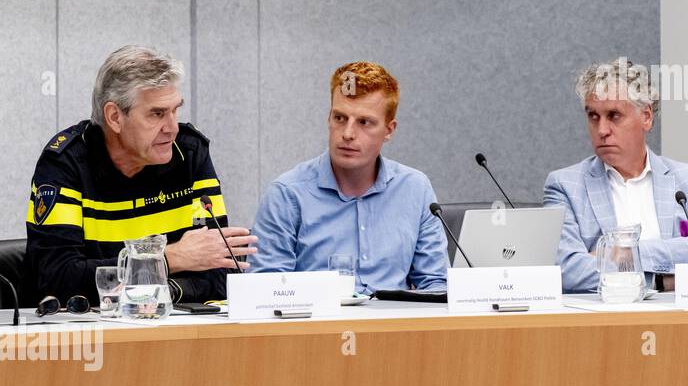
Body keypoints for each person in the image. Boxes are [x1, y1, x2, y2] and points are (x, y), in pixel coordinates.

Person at [25, 45, 255, 303]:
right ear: (114, 117)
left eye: (175, 110)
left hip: (178, 328)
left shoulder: (189, 154)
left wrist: (164, 292)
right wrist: (169, 259)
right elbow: (57, 278)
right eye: (157, 114)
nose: (172, 128)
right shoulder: (65, 164)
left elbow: (221, 271)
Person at [249, 61, 448, 293]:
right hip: (319, 325)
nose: (348, 134)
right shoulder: (287, 194)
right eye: (340, 118)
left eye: (365, 122)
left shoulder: (415, 189)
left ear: (389, 130)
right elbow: (264, 291)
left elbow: (436, 285)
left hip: (393, 325)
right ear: (328, 118)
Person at [543, 57, 688, 293]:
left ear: (646, 117)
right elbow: (567, 271)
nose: (602, 130)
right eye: (593, 116)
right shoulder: (564, 186)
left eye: (614, 116)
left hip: (679, 317)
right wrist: (663, 278)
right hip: (605, 319)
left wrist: (621, 254)